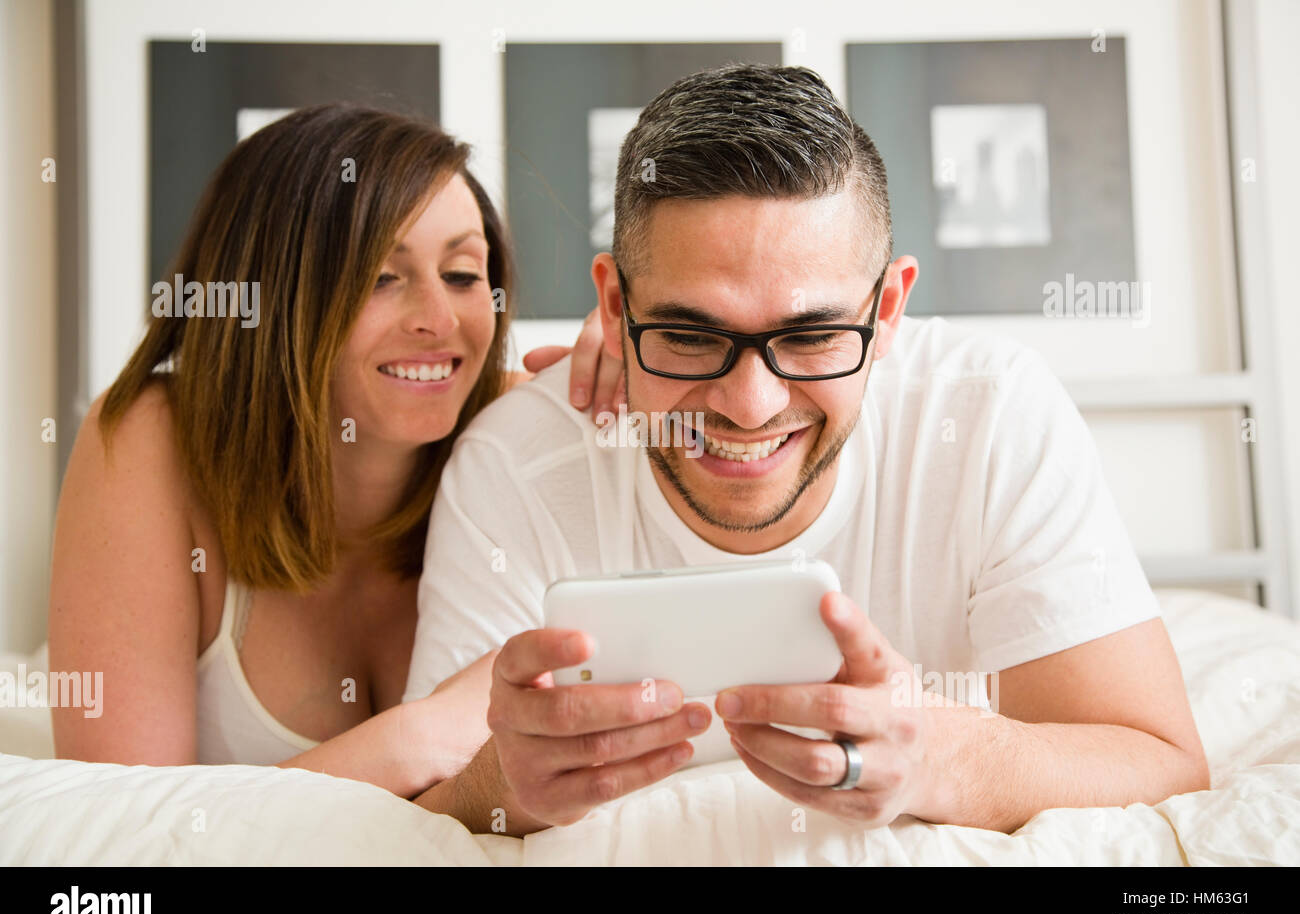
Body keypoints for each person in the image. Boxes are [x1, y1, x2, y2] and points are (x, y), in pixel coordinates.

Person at [403, 65, 1211, 834]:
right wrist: (503, 789)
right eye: (688, 335)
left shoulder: (992, 414)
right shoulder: (514, 461)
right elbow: (424, 804)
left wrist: (936, 756)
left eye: (814, 335)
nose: (750, 406)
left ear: (888, 309)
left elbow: (1159, 762)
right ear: (614, 307)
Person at [47, 104, 616, 800]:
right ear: (276, 297)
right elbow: (118, 827)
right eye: (382, 277)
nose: (439, 321)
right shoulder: (152, 437)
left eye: (464, 275)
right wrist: (423, 734)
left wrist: (650, 363)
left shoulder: (521, 427)